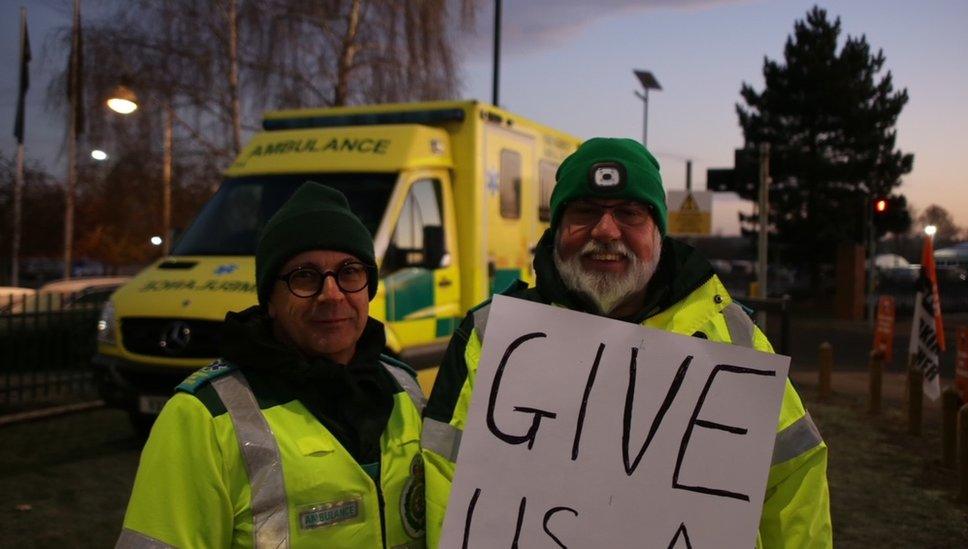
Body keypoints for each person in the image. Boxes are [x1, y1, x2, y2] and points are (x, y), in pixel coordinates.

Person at [422, 138, 832, 548]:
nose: (605, 230)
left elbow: (793, 482)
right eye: (584, 212)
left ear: (658, 233)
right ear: (557, 229)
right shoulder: (489, 336)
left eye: (629, 213)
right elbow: (443, 477)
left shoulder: (733, 342)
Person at [117, 182, 427, 548]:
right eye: (305, 277)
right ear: (270, 302)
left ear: (368, 288)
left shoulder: (403, 388)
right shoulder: (203, 417)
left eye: (350, 272)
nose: (331, 294)